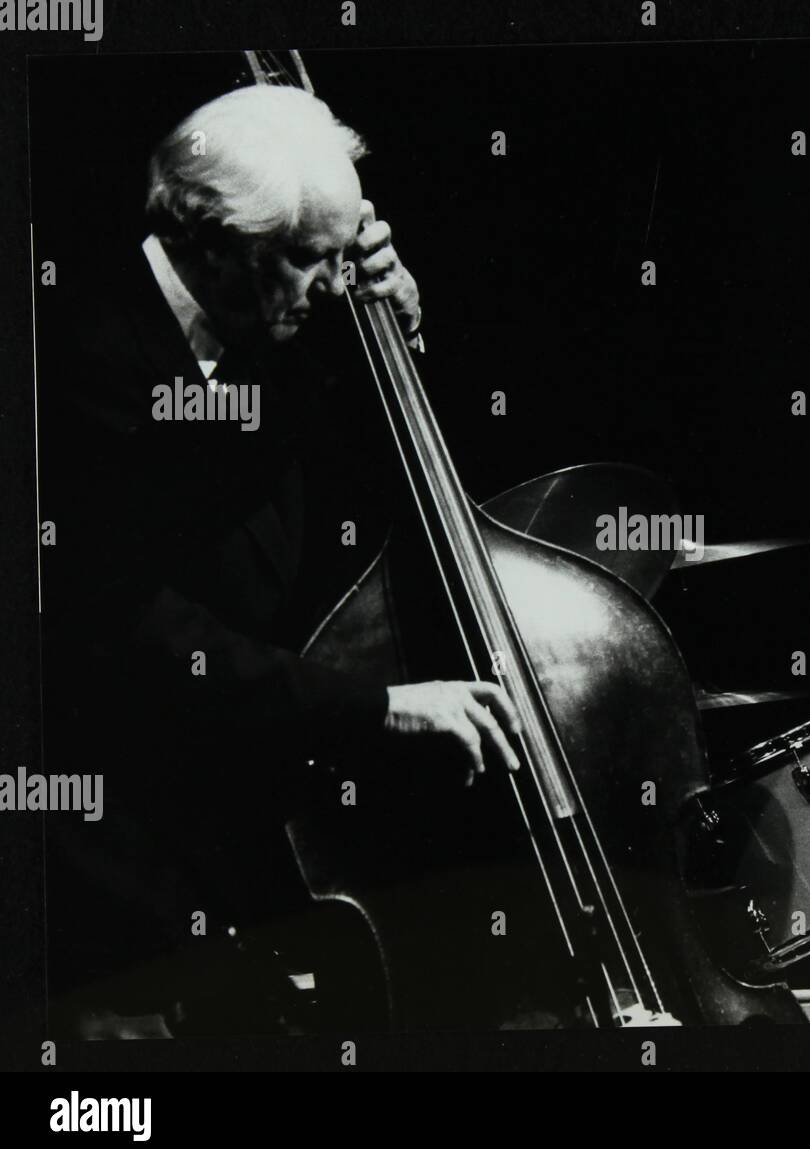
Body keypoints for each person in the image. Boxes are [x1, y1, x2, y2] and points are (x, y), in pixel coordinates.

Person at [39, 84, 524, 1036]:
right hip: (108, 874)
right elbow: (140, 632)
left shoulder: (271, 327)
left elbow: (363, 490)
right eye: (308, 259)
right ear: (212, 242)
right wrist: (378, 705)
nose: (332, 286)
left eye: (341, 256)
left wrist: (399, 328)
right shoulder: (76, 356)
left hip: (233, 843)